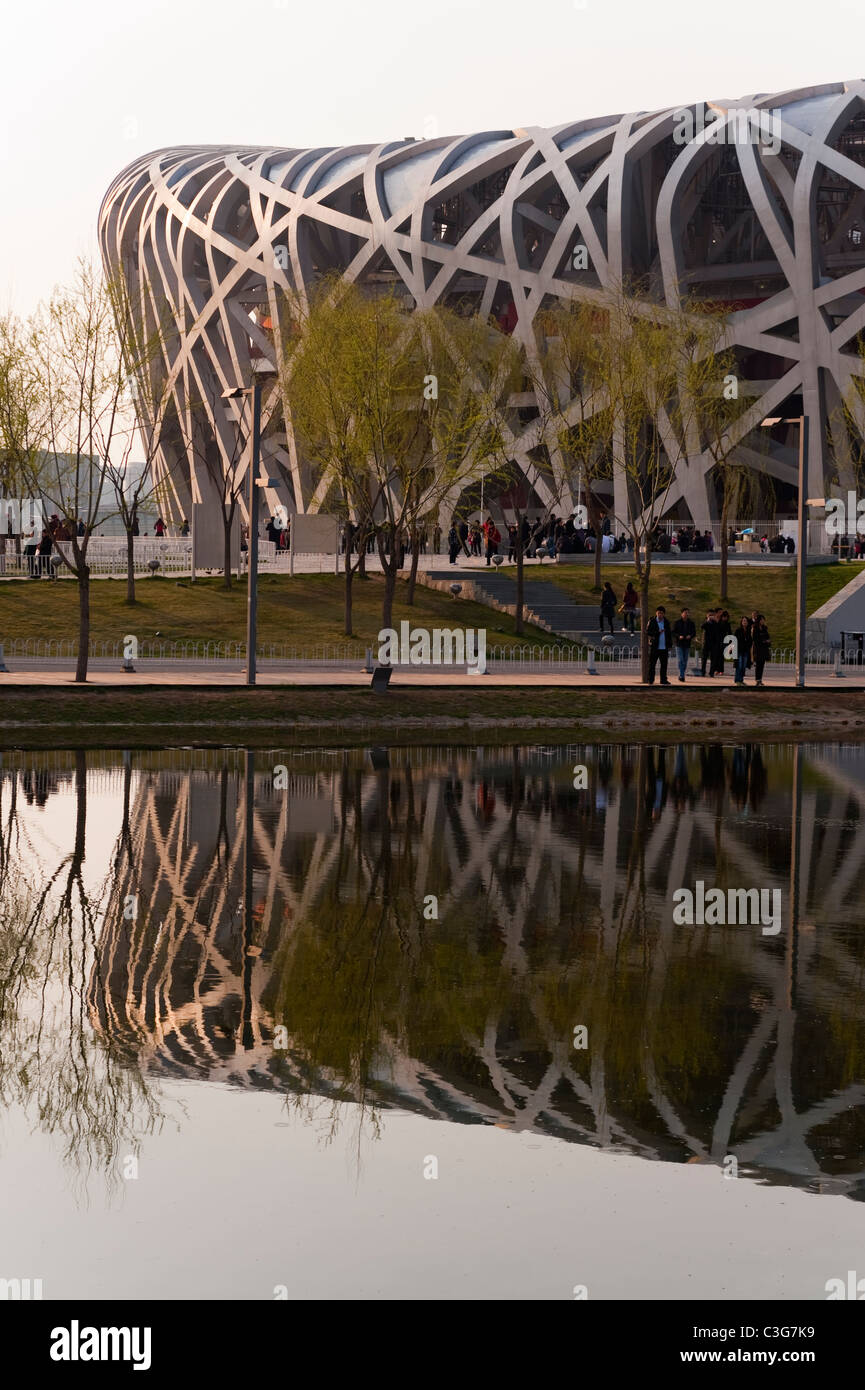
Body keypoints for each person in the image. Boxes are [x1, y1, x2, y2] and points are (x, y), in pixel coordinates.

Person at [646, 606, 672, 684]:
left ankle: (663, 679)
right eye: (658, 613)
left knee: (664, 665)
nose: (660, 614)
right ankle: (650, 679)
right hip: (655, 646)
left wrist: (670, 644)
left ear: (664, 614)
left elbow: (669, 634)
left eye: (661, 613)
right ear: (656, 613)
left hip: (664, 647)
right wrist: (658, 632)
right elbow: (648, 632)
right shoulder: (652, 621)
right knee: (652, 664)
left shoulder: (666, 622)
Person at [672, 607, 696, 682]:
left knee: (685, 661)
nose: (686, 614)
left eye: (688, 612)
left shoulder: (691, 623)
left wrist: (690, 636)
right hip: (679, 644)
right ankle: (682, 675)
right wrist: (679, 636)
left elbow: (694, 632)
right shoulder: (677, 622)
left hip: (687, 644)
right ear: (681, 614)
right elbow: (673, 632)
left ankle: (681, 673)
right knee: (681, 660)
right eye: (685, 612)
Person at [732, 615, 752, 686]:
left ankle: (741, 680)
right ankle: (737, 680)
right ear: (741, 622)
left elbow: (750, 641)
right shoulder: (738, 630)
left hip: (746, 651)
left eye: (746, 621)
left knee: (743, 666)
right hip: (739, 651)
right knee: (739, 665)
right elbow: (734, 640)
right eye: (743, 621)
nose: (744, 622)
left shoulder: (749, 631)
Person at [752, 615, 771, 687]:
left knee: (762, 665)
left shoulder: (764, 628)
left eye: (763, 620)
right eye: (761, 620)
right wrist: (764, 641)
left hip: (764, 649)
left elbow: (768, 637)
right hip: (758, 649)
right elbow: (755, 639)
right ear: (759, 620)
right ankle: (757, 679)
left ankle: (760, 679)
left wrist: (768, 641)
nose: (763, 621)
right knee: (758, 665)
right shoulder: (755, 628)